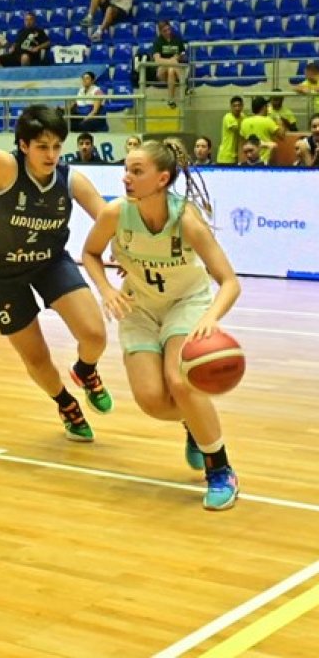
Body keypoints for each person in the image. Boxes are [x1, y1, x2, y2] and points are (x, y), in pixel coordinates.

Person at [0, 87, 112, 441]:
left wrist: (120, 245)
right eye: (42, 146)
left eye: (56, 146)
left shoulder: (70, 179)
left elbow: (105, 214)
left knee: (94, 334)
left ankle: (86, 370)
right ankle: (65, 404)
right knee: (36, 355)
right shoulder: (7, 169)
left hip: (50, 263)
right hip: (2, 274)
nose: (51, 154)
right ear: (24, 145)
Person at [81, 140, 240, 510]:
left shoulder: (185, 219)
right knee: (152, 400)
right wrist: (105, 288)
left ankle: (221, 469)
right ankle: (194, 423)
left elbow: (229, 281)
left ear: (161, 178)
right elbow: (89, 254)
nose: (126, 177)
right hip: (139, 308)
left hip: (186, 304)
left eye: (137, 171)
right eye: (126, 169)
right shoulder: (115, 213)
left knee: (180, 381)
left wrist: (210, 318)